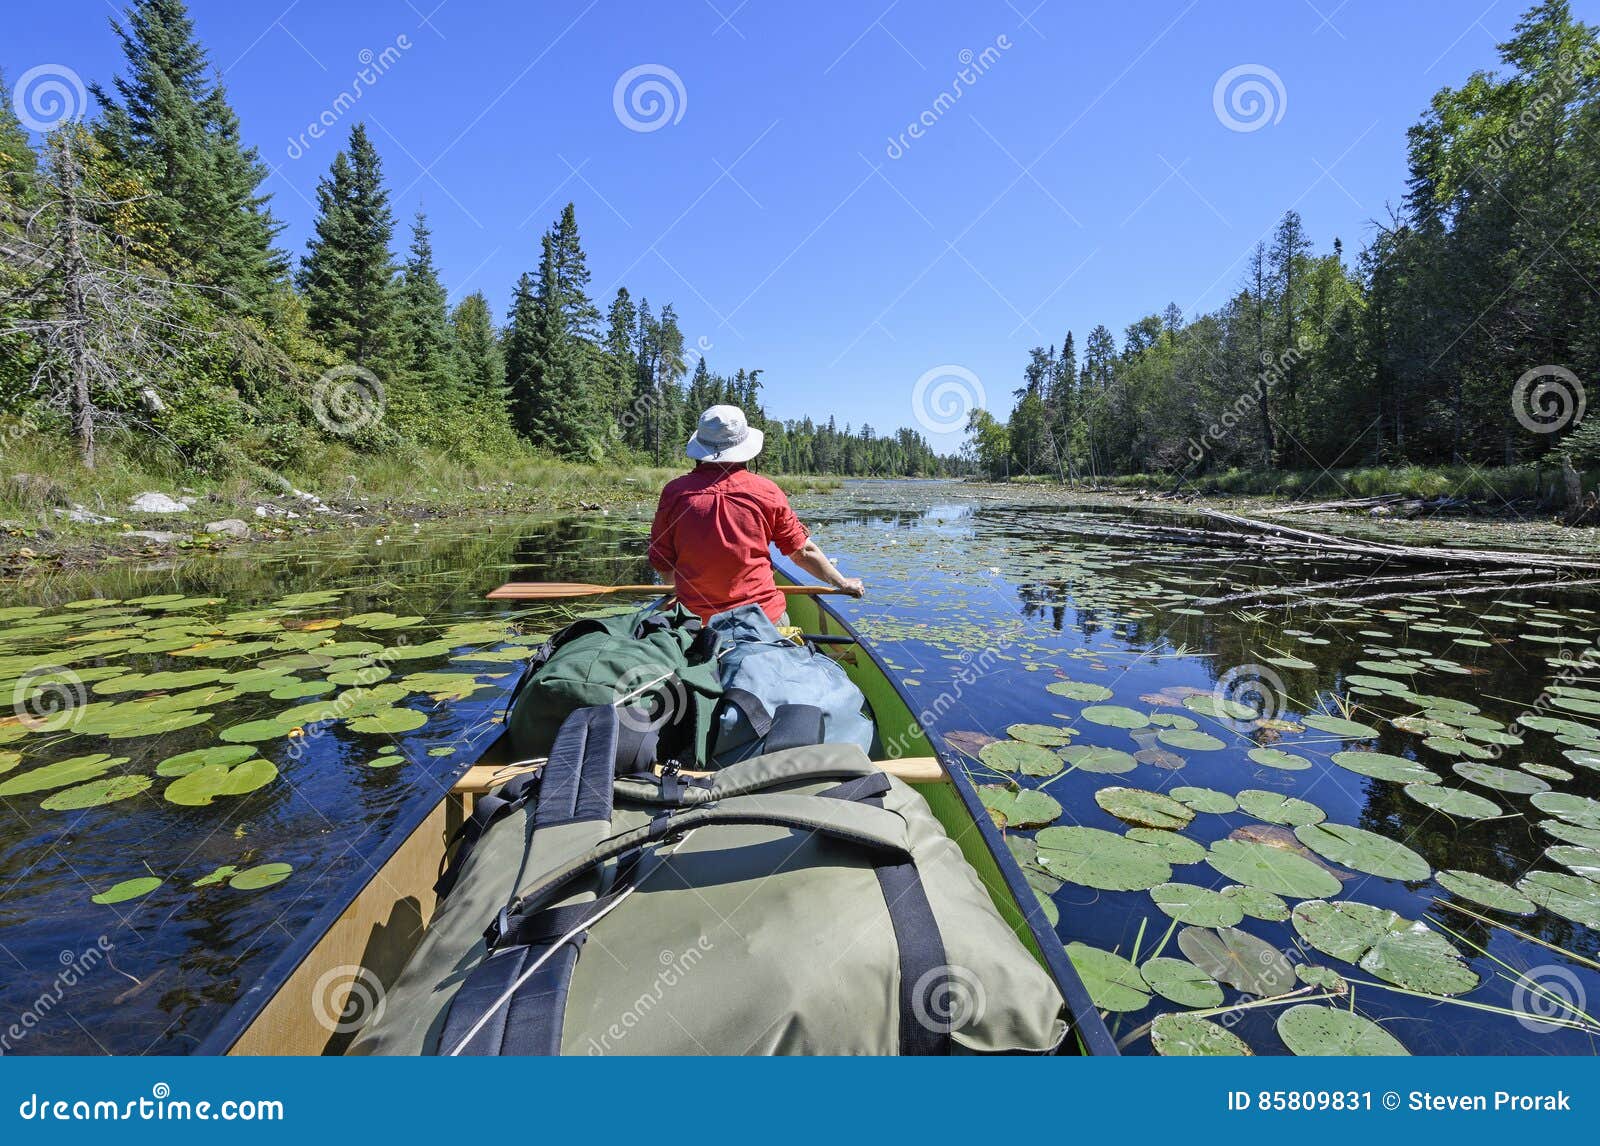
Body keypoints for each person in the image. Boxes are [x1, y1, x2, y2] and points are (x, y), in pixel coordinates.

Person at [649, 405, 864, 624]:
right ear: (745, 449)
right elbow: (803, 552)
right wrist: (842, 582)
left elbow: (663, 559)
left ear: (700, 448)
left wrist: (682, 589)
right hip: (762, 618)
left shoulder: (675, 492)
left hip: (694, 620)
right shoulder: (767, 491)